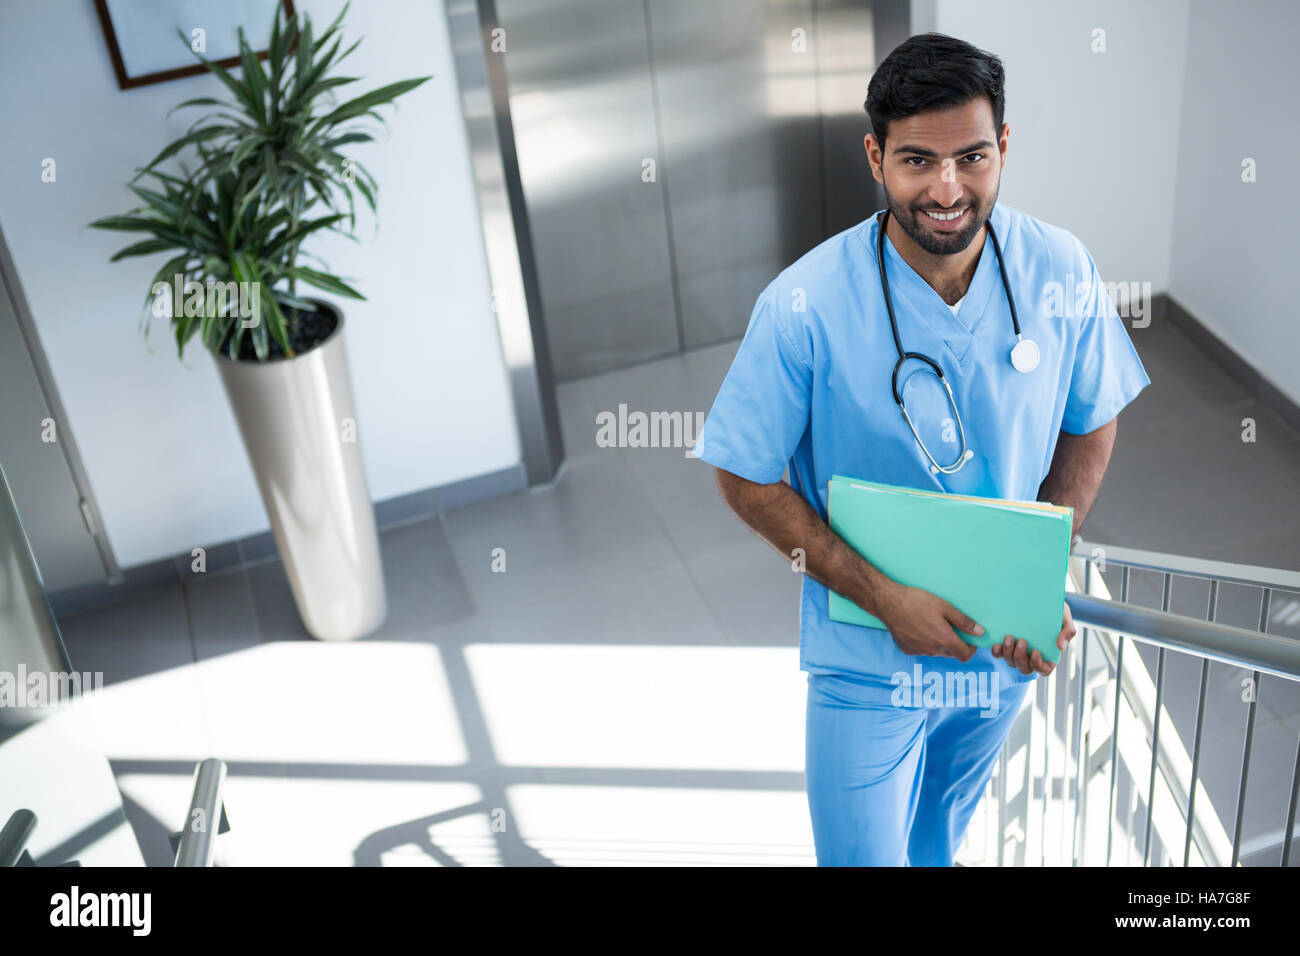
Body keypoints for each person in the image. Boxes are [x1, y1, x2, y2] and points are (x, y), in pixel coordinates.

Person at [691, 32, 1150, 866]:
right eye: (916, 161)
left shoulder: (1058, 266)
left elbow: (1092, 419)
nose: (946, 188)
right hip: (868, 657)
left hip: (997, 649)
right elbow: (743, 474)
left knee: (937, 838)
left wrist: (1038, 572)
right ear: (876, 156)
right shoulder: (804, 304)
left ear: (1003, 147)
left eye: (972, 157)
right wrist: (882, 596)